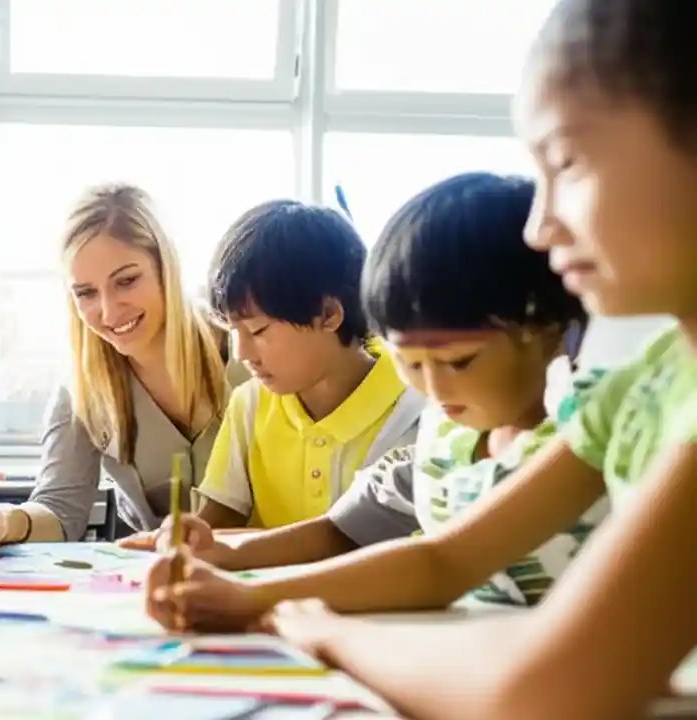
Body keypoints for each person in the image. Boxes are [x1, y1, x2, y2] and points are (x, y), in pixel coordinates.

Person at [196, 2, 697, 718]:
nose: (540, 224)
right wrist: (253, 595)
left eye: (569, 162)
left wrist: (330, 635)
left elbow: (542, 690)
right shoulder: (650, 378)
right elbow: (448, 558)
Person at [144, 173, 603, 632]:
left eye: (458, 362)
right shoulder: (442, 437)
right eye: (410, 363)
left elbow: (438, 564)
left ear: (548, 329)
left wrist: (257, 598)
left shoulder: (592, 430)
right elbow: (341, 528)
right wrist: (230, 551)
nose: (434, 389)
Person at [0, 184, 239, 561]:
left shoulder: (249, 353)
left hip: (260, 571)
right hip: (156, 578)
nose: (110, 313)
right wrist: (6, 518)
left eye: (127, 281)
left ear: (167, 268)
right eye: (86, 293)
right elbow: (61, 507)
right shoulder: (81, 389)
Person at [130, 199, 421, 547]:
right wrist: (181, 539)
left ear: (329, 313)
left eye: (258, 331)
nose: (241, 354)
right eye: (232, 330)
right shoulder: (250, 403)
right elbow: (216, 522)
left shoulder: (416, 409)